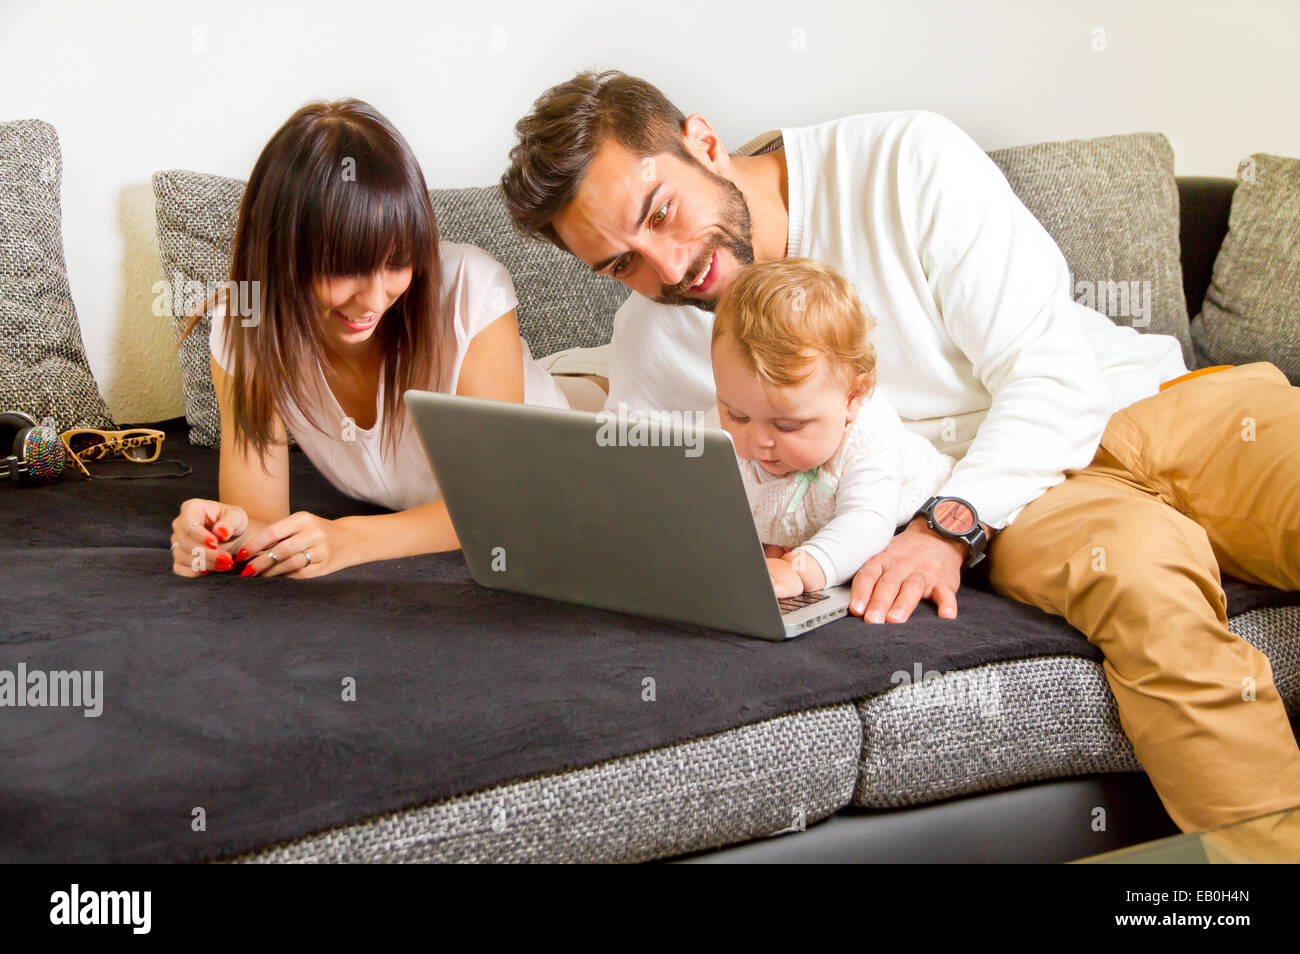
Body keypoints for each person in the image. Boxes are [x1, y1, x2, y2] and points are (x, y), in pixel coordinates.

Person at [498, 70, 1300, 839]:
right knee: (1149, 601)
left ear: (701, 143)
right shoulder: (652, 339)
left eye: (661, 212)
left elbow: (1048, 370)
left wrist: (942, 530)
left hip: (1154, 400)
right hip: (1038, 504)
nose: (670, 267)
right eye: (620, 264)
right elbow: (655, 502)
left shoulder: (903, 160)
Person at [168, 99, 600, 579]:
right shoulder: (247, 323)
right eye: (346, 268)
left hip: (589, 439)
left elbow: (496, 507)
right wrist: (219, 534)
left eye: (397, 262)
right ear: (281, 258)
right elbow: (261, 520)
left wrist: (348, 539)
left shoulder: (470, 292)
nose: (374, 299)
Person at [705, 257, 953, 596]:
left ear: (852, 400)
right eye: (737, 416)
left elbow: (867, 523)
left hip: (907, 530)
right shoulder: (720, 429)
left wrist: (799, 567)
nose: (759, 441)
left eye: (788, 425)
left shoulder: (870, 438)